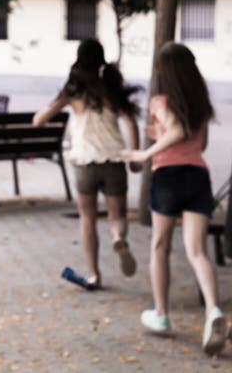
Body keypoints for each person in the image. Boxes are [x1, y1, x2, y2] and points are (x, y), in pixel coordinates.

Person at [122, 42, 226, 355]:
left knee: (160, 245)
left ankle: (162, 315)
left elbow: (177, 131)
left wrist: (145, 152)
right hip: (197, 176)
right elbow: (198, 143)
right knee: (197, 251)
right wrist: (161, 136)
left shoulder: (160, 101)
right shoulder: (200, 103)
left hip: (168, 177)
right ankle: (213, 310)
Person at [33, 39, 141, 290]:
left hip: (84, 162)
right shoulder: (112, 88)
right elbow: (131, 123)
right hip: (114, 159)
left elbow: (39, 120)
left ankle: (93, 274)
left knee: (87, 218)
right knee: (117, 215)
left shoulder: (73, 91)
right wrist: (134, 157)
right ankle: (118, 238)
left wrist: (53, 109)